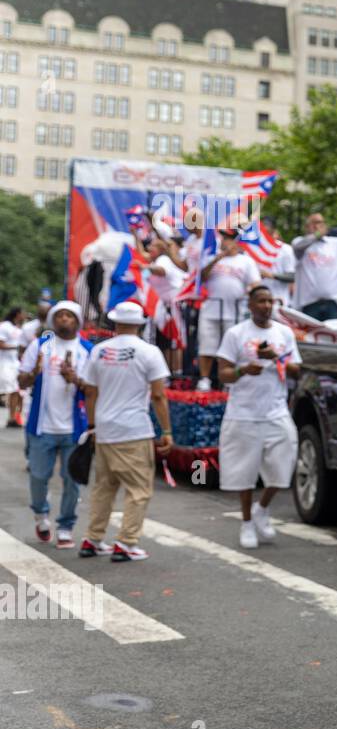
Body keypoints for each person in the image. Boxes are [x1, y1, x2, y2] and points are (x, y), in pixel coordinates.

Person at [80, 300, 173, 562]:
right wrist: (167, 430)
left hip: (105, 430)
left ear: (116, 322)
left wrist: (92, 425)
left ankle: (93, 539)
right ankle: (126, 542)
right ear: (140, 324)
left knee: (104, 488)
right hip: (133, 430)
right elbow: (158, 395)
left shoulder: (99, 351)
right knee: (138, 489)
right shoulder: (149, 352)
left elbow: (90, 391)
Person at [214, 285, 302, 549]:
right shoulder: (236, 333)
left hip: (276, 411)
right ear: (250, 305)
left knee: (283, 466)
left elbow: (298, 372)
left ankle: (262, 507)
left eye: (269, 301)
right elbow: (223, 373)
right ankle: (246, 522)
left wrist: (276, 358)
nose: (266, 305)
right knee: (245, 473)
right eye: (261, 301)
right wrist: (243, 371)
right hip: (243, 413)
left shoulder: (284, 333)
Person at [18, 301, 93, 549]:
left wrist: (75, 379)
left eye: (68, 316)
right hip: (42, 426)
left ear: (77, 321)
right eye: (59, 315)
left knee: (72, 480)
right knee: (38, 477)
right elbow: (22, 380)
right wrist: (34, 373)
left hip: (75, 429)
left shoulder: (87, 350)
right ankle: (41, 514)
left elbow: (94, 389)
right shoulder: (39, 346)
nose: (63, 319)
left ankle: (65, 526)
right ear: (52, 320)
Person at [196, 227, 264, 392]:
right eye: (224, 238)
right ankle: (205, 379)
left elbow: (255, 283)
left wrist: (250, 293)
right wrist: (217, 259)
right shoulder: (210, 257)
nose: (226, 241)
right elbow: (201, 278)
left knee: (231, 346)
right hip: (211, 307)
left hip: (234, 309)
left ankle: (228, 379)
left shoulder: (246, 261)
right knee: (207, 345)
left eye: (230, 238)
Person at [144, 232, 186, 376]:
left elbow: (162, 272)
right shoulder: (154, 261)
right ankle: (166, 372)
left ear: (161, 250)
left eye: (153, 247)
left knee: (174, 341)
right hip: (162, 307)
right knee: (164, 341)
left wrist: (144, 267)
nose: (149, 249)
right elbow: (141, 255)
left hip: (173, 306)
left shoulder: (163, 260)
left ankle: (177, 373)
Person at [0, 307, 27, 427]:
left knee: (16, 391)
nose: (25, 315)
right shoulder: (5, 326)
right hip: (5, 364)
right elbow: (1, 344)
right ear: (17, 314)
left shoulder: (18, 328)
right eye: (23, 313)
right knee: (10, 391)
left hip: (15, 364)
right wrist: (16, 348)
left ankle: (13, 418)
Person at [263, 219, 296, 309]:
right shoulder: (253, 249)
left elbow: (292, 276)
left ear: (274, 230)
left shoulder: (285, 249)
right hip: (257, 304)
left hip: (279, 302)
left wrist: (271, 275)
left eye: (267, 227)